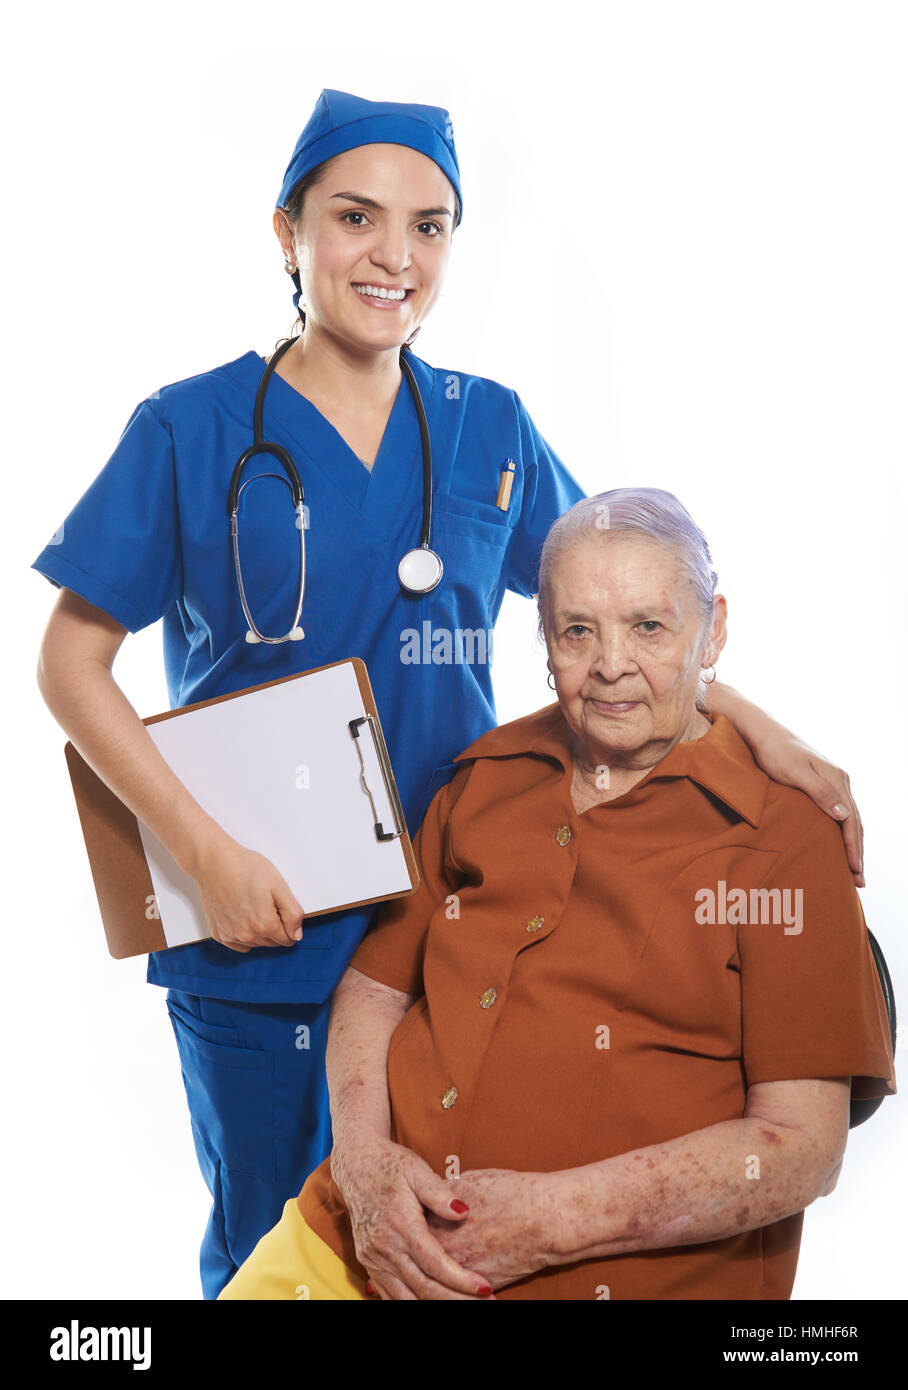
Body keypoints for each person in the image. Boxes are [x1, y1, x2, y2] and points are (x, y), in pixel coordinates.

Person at [32, 92, 867, 1301]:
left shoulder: (491, 427)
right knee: (282, 1247)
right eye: (355, 218)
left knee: (435, 1253)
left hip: (458, 921)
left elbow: (616, 610)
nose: (394, 257)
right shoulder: (188, 428)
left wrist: (771, 735)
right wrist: (204, 856)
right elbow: (69, 661)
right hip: (265, 926)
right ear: (287, 230)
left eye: (429, 226)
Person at [218, 488, 895, 1302]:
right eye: (578, 631)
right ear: (544, 641)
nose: (611, 664)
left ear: (713, 629)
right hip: (361, 1240)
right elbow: (374, 985)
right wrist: (363, 1166)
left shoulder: (787, 839)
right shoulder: (485, 778)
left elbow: (800, 1149)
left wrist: (549, 1220)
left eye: (649, 627)